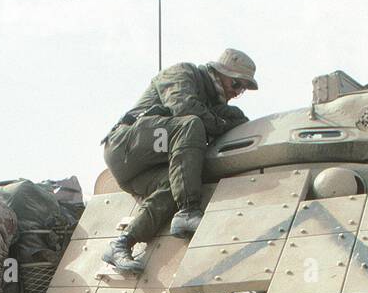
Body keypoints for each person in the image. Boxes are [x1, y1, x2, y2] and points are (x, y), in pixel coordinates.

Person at [100, 48, 257, 272]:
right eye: (237, 84)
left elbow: (239, 121)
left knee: (177, 181)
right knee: (190, 124)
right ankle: (188, 210)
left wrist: (230, 121)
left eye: (243, 89)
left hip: (145, 167)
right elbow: (182, 107)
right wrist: (220, 125)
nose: (237, 92)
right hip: (125, 145)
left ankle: (122, 243)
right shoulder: (183, 73)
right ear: (220, 73)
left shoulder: (213, 104)